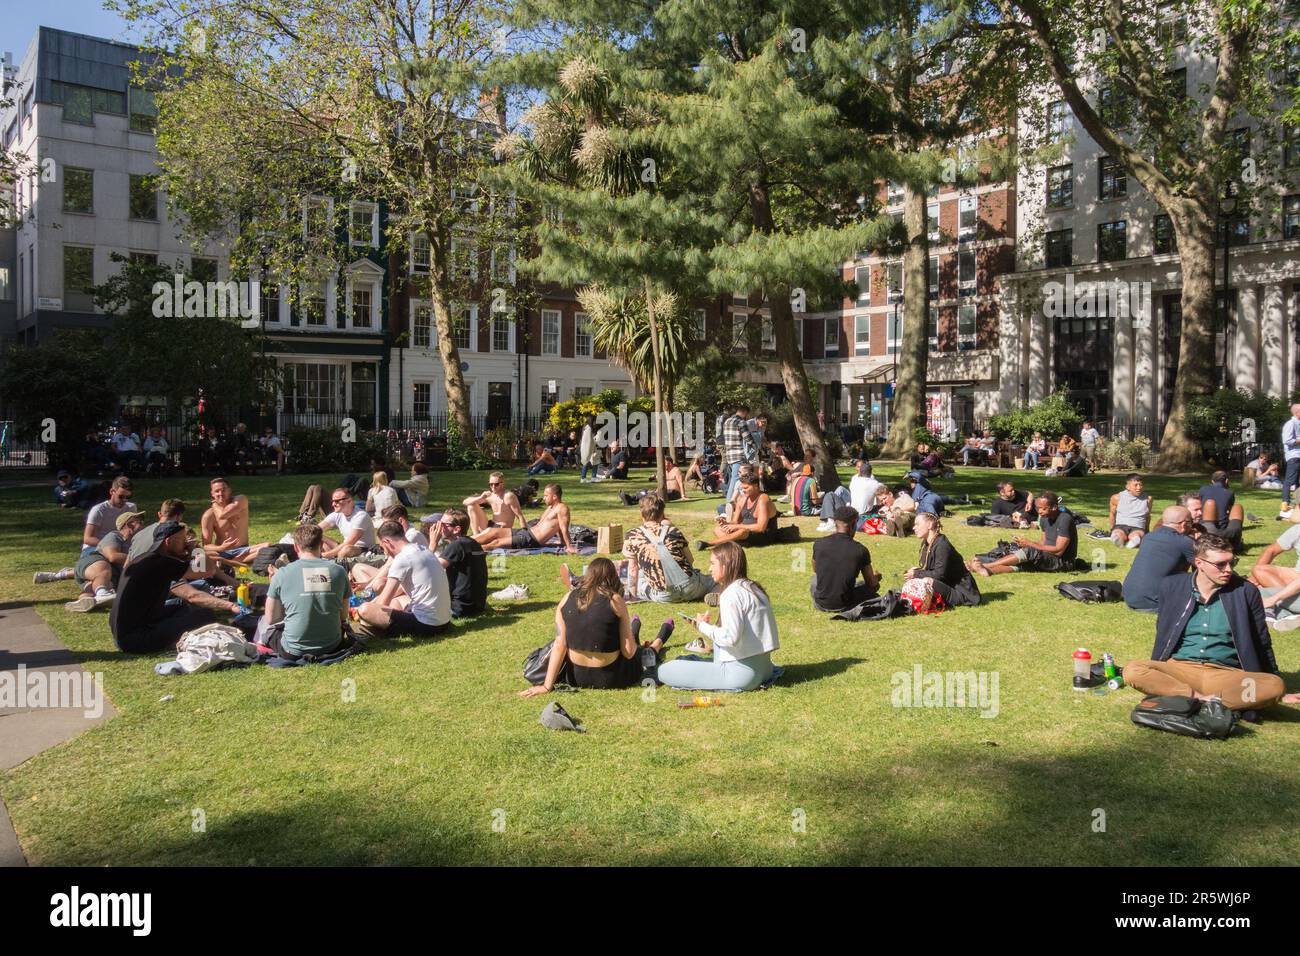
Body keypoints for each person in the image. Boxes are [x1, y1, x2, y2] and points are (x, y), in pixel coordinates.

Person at [1124, 535, 1286, 714]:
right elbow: (1163, 631)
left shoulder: (1246, 591)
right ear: (1199, 563)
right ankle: (1206, 700)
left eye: (1232, 562)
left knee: (1274, 685)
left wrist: (1274, 675)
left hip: (1227, 673)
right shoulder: (1172, 586)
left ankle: (1189, 699)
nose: (1229, 570)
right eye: (1220, 564)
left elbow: (1262, 640)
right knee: (1133, 670)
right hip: (1180, 668)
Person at [518, 558, 674, 695]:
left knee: (632, 644)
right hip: (612, 677)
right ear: (613, 577)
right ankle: (658, 641)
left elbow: (559, 646)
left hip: (576, 677)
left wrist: (547, 686)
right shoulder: (615, 600)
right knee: (642, 654)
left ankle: (637, 629)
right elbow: (628, 652)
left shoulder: (566, 599)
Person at [661, 542, 779, 692]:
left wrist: (702, 626)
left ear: (726, 564)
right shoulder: (753, 587)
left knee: (665, 670)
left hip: (742, 675)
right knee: (689, 661)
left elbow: (730, 638)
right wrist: (708, 627)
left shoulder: (731, 594)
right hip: (765, 670)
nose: (709, 568)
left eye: (712, 563)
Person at [109, 521, 217, 653]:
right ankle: (176, 639)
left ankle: (173, 634)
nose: (185, 544)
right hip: (136, 639)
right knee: (206, 615)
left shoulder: (145, 558)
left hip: (123, 636)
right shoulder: (161, 563)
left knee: (181, 604)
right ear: (168, 542)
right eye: (182, 540)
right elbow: (209, 570)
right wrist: (195, 549)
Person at [260, 524, 350, 659]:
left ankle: (259, 645)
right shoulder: (338, 571)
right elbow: (343, 616)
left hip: (293, 650)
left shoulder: (282, 574)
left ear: (296, 546)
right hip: (332, 645)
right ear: (321, 544)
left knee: (263, 623)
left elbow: (272, 618)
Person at [355, 522, 452, 638]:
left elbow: (383, 603)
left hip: (427, 625)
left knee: (365, 609)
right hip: (444, 621)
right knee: (397, 600)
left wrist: (361, 608)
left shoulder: (402, 558)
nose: (385, 552)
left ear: (387, 542)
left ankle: (381, 631)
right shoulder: (423, 550)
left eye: (382, 547)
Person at [622, 494, 715, 603]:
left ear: (641, 514)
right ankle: (719, 594)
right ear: (662, 513)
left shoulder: (632, 535)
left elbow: (633, 568)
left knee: (640, 577)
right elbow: (690, 560)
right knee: (715, 581)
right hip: (691, 587)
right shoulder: (674, 531)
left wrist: (633, 596)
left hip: (663, 594)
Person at [967, 491, 1079, 575]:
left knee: (1029, 552)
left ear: (1054, 507)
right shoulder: (1044, 518)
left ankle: (987, 565)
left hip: (1063, 562)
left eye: (1043, 509)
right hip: (1048, 557)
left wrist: (1030, 545)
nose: (1039, 511)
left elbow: (1059, 551)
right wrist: (1024, 544)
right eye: (1038, 508)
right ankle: (987, 571)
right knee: (1020, 560)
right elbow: (1042, 544)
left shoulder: (1065, 519)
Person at [65, 511, 144, 612]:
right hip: (93, 563)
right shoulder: (115, 536)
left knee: (94, 588)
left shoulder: (135, 543)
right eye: (140, 522)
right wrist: (140, 558)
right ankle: (102, 594)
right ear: (129, 525)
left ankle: (83, 602)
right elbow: (112, 556)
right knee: (104, 571)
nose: (143, 525)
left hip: (109, 575)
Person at [1123, 506, 1197, 612]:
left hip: (1130, 598)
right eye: (1191, 523)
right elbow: (1204, 568)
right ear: (1184, 524)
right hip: (1155, 603)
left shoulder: (1149, 537)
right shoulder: (1184, 542)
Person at [474, 482, 577, 553]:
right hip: (527, 532)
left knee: (496, 543)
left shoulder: (562, 508)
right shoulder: (551, 507)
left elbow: (564, 528)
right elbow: (558, 526)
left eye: (546, 496)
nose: (543, 498)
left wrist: (569, 546)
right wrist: (561, 541)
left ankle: (467, 549)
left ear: (554, 496)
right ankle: (464, 542)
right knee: (493, 532)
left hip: (530, 540)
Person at [905, 512, 981, 608]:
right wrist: (917, 571)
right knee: (916, 581)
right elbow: (932, 570)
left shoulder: (942, 545)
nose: (913, 528)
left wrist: (917, 573)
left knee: (926, 581)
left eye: (917, 524)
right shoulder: (926, 544)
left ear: (929, 525)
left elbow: (939, 574)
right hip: (947, 585)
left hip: (962, 593)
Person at [811, 506, 880, 611]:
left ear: (835, 523)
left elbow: (816, 569)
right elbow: (871, 582)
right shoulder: (860, 550)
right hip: (846, 604)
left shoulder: (819, 544)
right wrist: (877, 577)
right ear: (853, 525)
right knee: (873, 586)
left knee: (814, 579)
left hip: (820, 603)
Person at [429, 508, 488, 618]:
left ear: (456, 529)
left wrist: (433, 544)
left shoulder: (457, 545)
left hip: (459, 608)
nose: (438, 527)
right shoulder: (473, 543)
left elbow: (429, 569)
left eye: (443, 524)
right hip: (477, 605)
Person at [697, 473, 777, 549]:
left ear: (756, 486)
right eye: (742, 488)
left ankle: (708, 544)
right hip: (744, 533)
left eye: (746, 488)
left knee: (742, 531)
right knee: (718, 529)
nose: (743, 490)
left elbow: (761, 527)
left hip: (763, 536)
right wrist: (727, 524)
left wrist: (737, 526)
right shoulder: (742, 499)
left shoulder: (763, 499)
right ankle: (739, 544)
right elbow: (735, 522)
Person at [200, 477, 271, 562]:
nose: (220, 493)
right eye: (217, 491)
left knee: (268, 546)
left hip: (243, 549)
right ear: (212, 494)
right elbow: (206, 545)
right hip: (222, 552)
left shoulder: (240, 500)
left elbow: (223, 515)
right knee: (203, 555)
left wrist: (214, 504)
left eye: (223, 490)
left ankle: (231, 561)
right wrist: (221, 548)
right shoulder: (208, 516)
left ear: (229, 490)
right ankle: (234, 560)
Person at [318, 487, 377, 560]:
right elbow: (315, 530)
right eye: (332, 501)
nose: (333, 504)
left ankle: (335, 563)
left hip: (363, 550)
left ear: (349, 501)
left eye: (337, 501)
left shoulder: (361, 516)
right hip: (344, 547)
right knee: (316, 535)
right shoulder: (337, 514)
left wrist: (324, 555)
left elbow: (350, 543)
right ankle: (332, 560)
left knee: (346, 550)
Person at [1247, 509, 1300, 590]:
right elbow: (1271, 551)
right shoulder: (1297, 530)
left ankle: (1287, 597)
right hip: (1296, 575)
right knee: (1259, 571)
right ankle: (1289, 595)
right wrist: (1255, 578)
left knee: (1262, 587)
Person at [83, 476, 137, 549]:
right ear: (112, 491)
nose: (125, 500)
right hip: (95, 546)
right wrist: (111, 545)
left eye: (128, 497)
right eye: (121, 496)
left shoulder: (131, 507)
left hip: (120, 545)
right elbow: (88, 539)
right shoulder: (99, 510)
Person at [1199, 471, 1244, 550]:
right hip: (1223, 529)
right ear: (1226, 481)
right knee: (1237, 508)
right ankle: (1236, 543)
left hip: (1205, 527)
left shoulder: (1203, 489)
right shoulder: (1229, 492)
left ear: (1212, 481)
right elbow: (1230, 511)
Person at [619, 457, 688, 506]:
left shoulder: (676, 470)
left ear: (669, 463)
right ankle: (631, 498)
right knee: (645, 491)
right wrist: (656, 490)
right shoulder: (664, 471)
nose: (663, 464)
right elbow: (662, 484)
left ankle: (632, 501)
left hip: (673, 492)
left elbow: (681, 483)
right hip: (664, 490)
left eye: (665, 463)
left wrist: (683, 495)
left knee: (653, 495)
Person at [1108, 473, 1152, 548]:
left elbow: (1147, 516)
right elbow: (1112, 514)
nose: (1139, 488)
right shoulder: (1116, 498)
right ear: (1128, 487)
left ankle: (1134, 541)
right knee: (1118, 533)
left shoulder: (1148, 499)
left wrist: (1147, 530)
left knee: (1136, 535)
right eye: (1136, 485)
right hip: (1121, 525)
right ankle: (1118, 539)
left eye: (1140, 485)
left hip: (1138, 526)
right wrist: (1112, 529)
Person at [720, 404, 753, 501]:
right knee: (736, 479)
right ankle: (730, 503)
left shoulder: (727, 421)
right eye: (746, 414)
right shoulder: (740, 422)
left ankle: (737, 501)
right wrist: (754, 444)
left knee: (732, 480)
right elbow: (748, 438)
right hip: (738, 454)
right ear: (744, 412)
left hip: (729, 455)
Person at [1282, 402, 1300, 517]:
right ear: (1297, 412)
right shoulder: (1290, 424)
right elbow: (1287, 440)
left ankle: (1297, 504)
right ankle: (1285, 503)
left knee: (1298, 482)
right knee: (1289, 481)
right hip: (1294, 456)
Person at [578, 415, 601, 483]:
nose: (596, 422)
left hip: (590, 447)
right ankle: (583, 478)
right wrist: (598, 435)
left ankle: (593, 477)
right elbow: (589, 441)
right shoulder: (588, 428)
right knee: (586, 462)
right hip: (587, 448)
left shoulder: (588, 427)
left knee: (595, 460)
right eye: (595, 421)